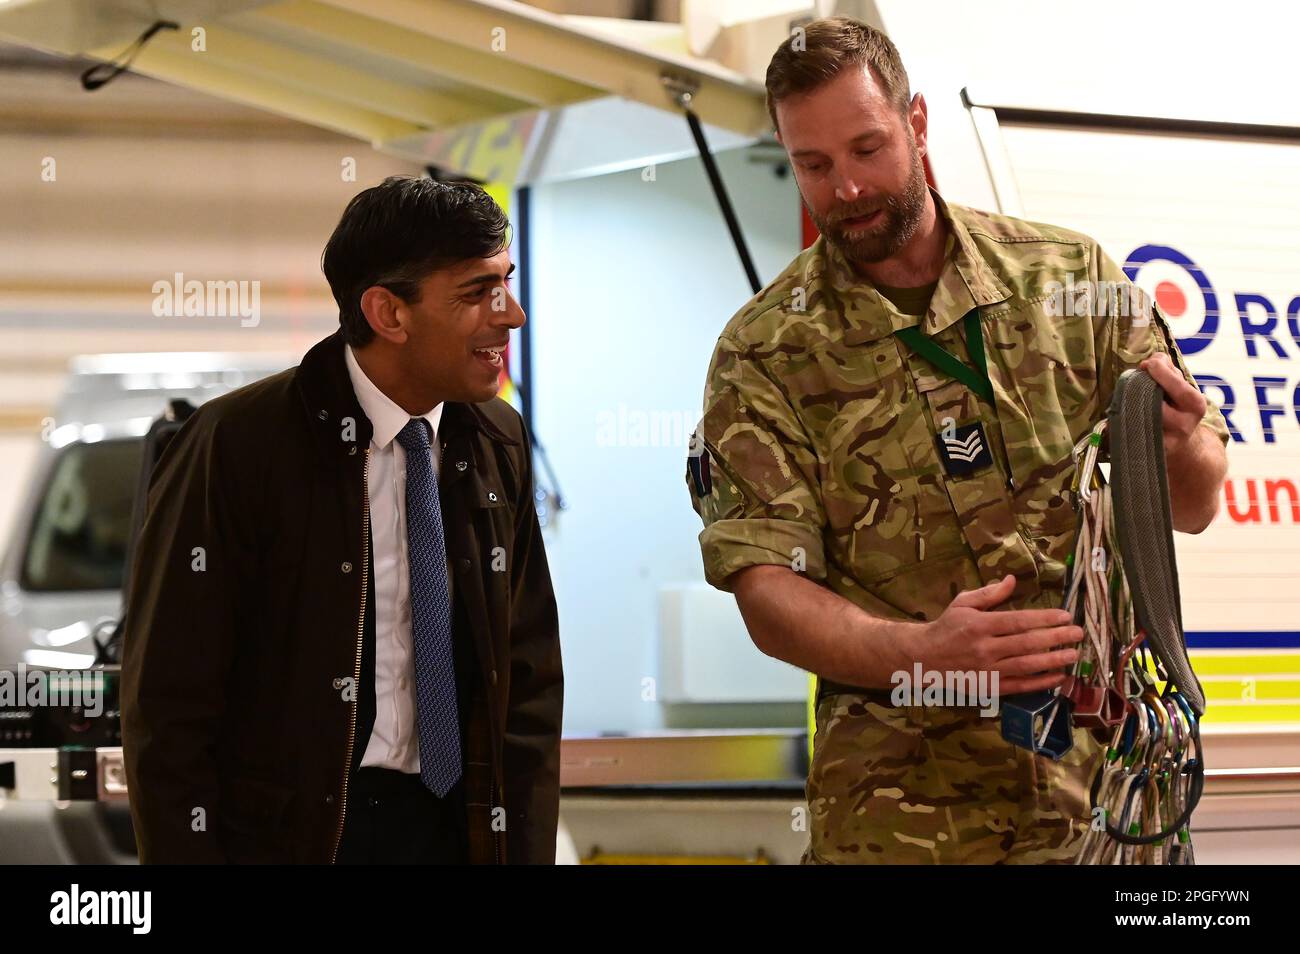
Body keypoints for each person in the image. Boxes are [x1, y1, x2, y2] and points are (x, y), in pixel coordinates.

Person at [686, 17, 1228, 864]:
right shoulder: (766, 350)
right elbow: (768, 592)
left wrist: (1180, 449)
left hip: (1108, 802)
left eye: (866, 149)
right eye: (813, 166)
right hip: (905, 818)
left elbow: (1192, 507)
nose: (846, 189)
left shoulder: (1069, 280)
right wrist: (920, 654)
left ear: (918, 123)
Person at [122, 176, 563, 864]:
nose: (512, 316)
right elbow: (169, 711)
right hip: (302, 839)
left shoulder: (497, 440)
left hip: (456, 832)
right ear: (389, 313)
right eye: (478, 293)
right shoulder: (237, 446)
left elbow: (528, 687)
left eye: (505, 283)